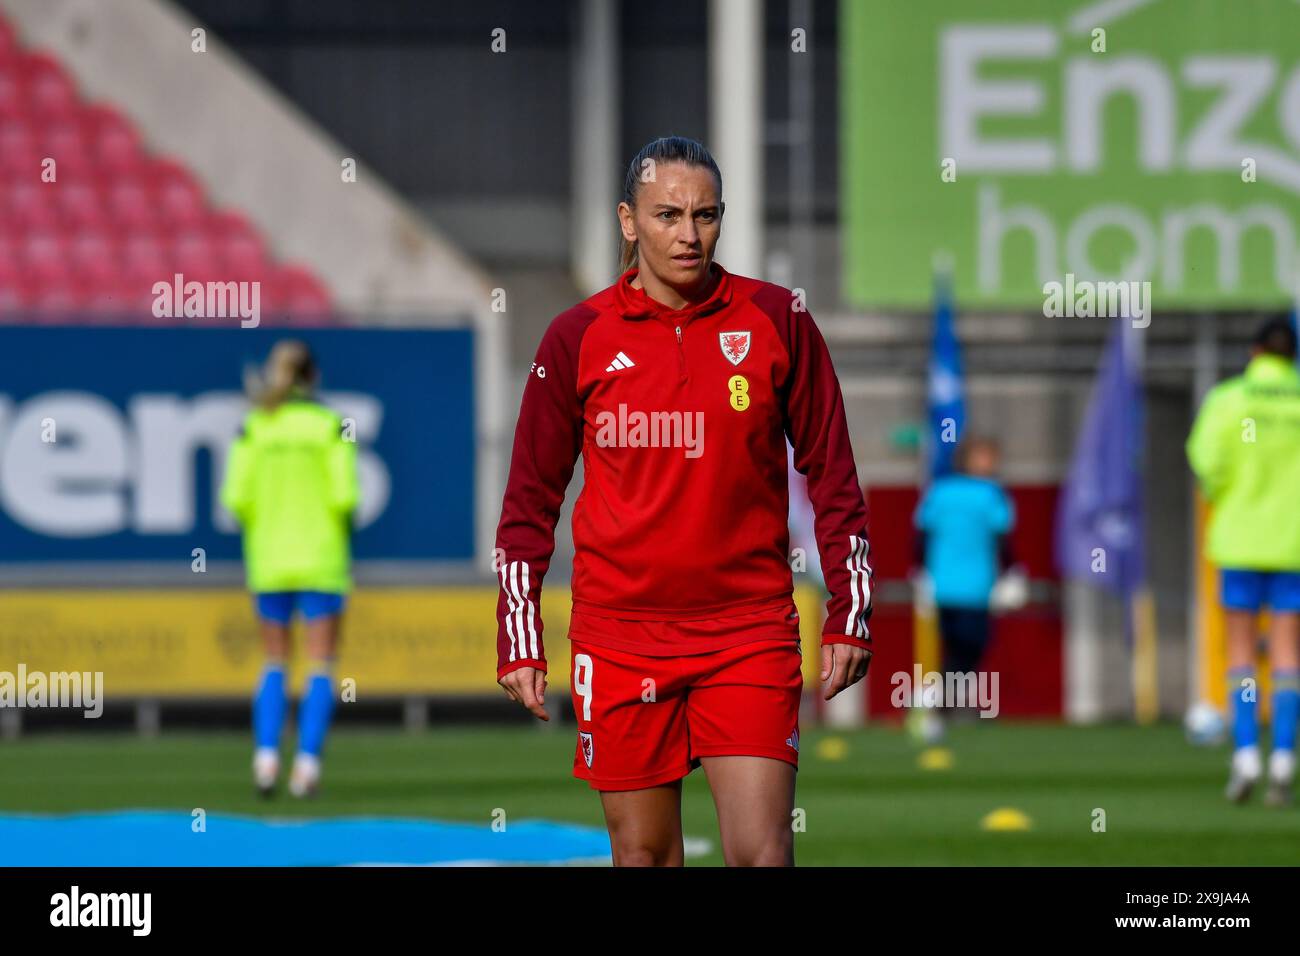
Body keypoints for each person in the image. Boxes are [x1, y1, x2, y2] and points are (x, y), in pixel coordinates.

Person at [493, 136, 873, 866]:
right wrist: (518, 632)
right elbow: (527, 503)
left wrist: (851, 614)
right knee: (644, 857)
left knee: (762, 853)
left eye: (705, 215)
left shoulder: (776, 319)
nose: (688, 234)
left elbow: (835, 477)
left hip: (749, 628)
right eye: (668, 215)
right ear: (628, 222)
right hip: (618, 632)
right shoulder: (576, 337)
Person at [220, 340, 359, 798]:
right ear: (314, 377)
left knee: (274, 661)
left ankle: (264, 761)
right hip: (321, 558)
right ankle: (306, 768)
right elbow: (346, 496)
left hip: (269, 559)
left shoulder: (256, 427)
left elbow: (235, 497)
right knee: (320, 663)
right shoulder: (329, 426)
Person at [1186, 317, 1300, 806]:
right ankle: (1285, 758)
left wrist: (1231, 494)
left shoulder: (1229, 399)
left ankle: (1247, 753)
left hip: (1239, 539)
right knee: (1287, 652)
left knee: (1239, 653)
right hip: (1294, 542)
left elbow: (1206, 462)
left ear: (1255, 352)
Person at [912, 436, 1016, 734]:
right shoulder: (989, 493)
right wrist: (1012, 572)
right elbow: (1002, 538)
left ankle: (940, 707)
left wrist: (919, 571)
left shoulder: (940, 491)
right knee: (969, 646)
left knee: (961, 649)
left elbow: (921, 534)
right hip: (966, 587)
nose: (991, 463)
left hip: (960, 585)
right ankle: (934, 702)